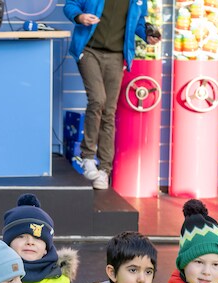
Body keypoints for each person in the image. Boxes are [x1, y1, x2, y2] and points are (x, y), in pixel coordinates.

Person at [64, 0, 161, 189]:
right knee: (97, 100)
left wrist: (147, 35)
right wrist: (80, 17)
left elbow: (138, 22)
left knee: (108, 111)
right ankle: (87, 157)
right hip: (89, 51)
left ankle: (104, 170)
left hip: (116, 56)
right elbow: (70, 5)